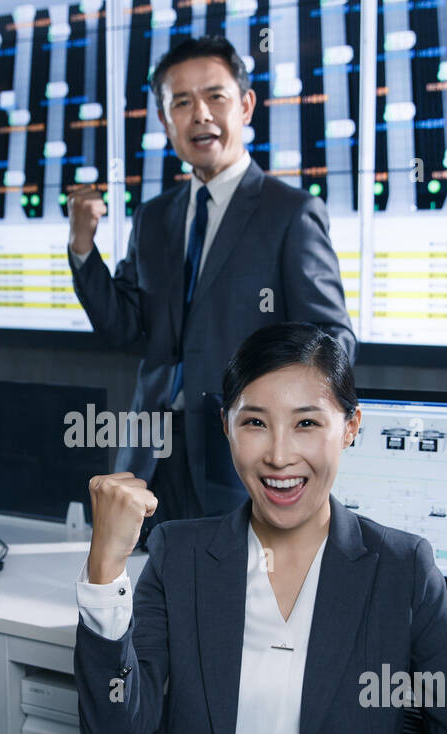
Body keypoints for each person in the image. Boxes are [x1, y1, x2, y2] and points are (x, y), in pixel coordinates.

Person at [73, 322, 447, 734]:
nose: (280, 456)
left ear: (351, 426)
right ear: (226, 427)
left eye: (308, 423)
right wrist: (105, 569)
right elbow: (113, 732)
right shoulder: (182, 555)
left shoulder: (401, 572)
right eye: (256, 424)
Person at [68, 35, 356, 524]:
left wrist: (281, 426)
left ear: (245, 105)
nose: (199, 114)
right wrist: (82, 247)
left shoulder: (290, 214)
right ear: (165, 121)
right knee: (143, 594)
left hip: (238, 456)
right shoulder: (155, 217)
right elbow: (123, 327)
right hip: (149, 458)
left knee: (229, 594)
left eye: (214, 97)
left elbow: (334, 341)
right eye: (181, 102)